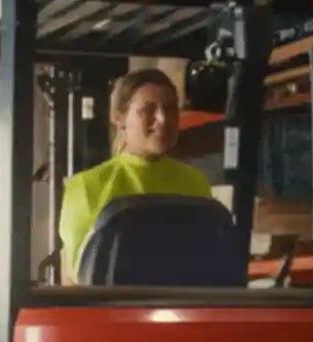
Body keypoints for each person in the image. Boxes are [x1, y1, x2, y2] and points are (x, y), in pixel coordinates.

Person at [57, 68, 213, 284]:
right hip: (111, 315)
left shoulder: (196, 183)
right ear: (119, 119)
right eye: (148, 110)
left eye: (170, 109)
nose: (162, 119)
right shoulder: (86, 187)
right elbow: (80, 279)